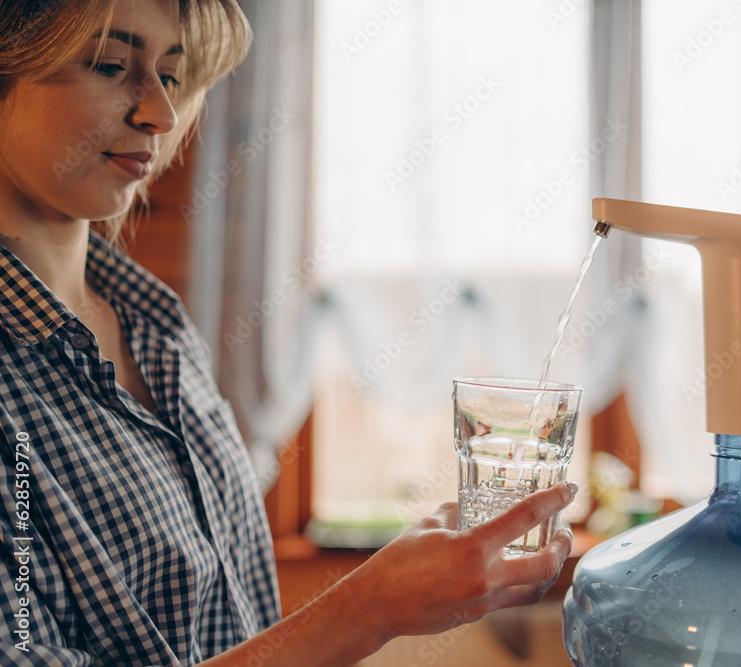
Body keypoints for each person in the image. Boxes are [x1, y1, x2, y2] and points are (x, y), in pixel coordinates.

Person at [0, 0, 576, 664]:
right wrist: (370, 606)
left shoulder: (157, 325)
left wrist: (387, 589)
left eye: (170, 74)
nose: (158, 113)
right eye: (108, 65)